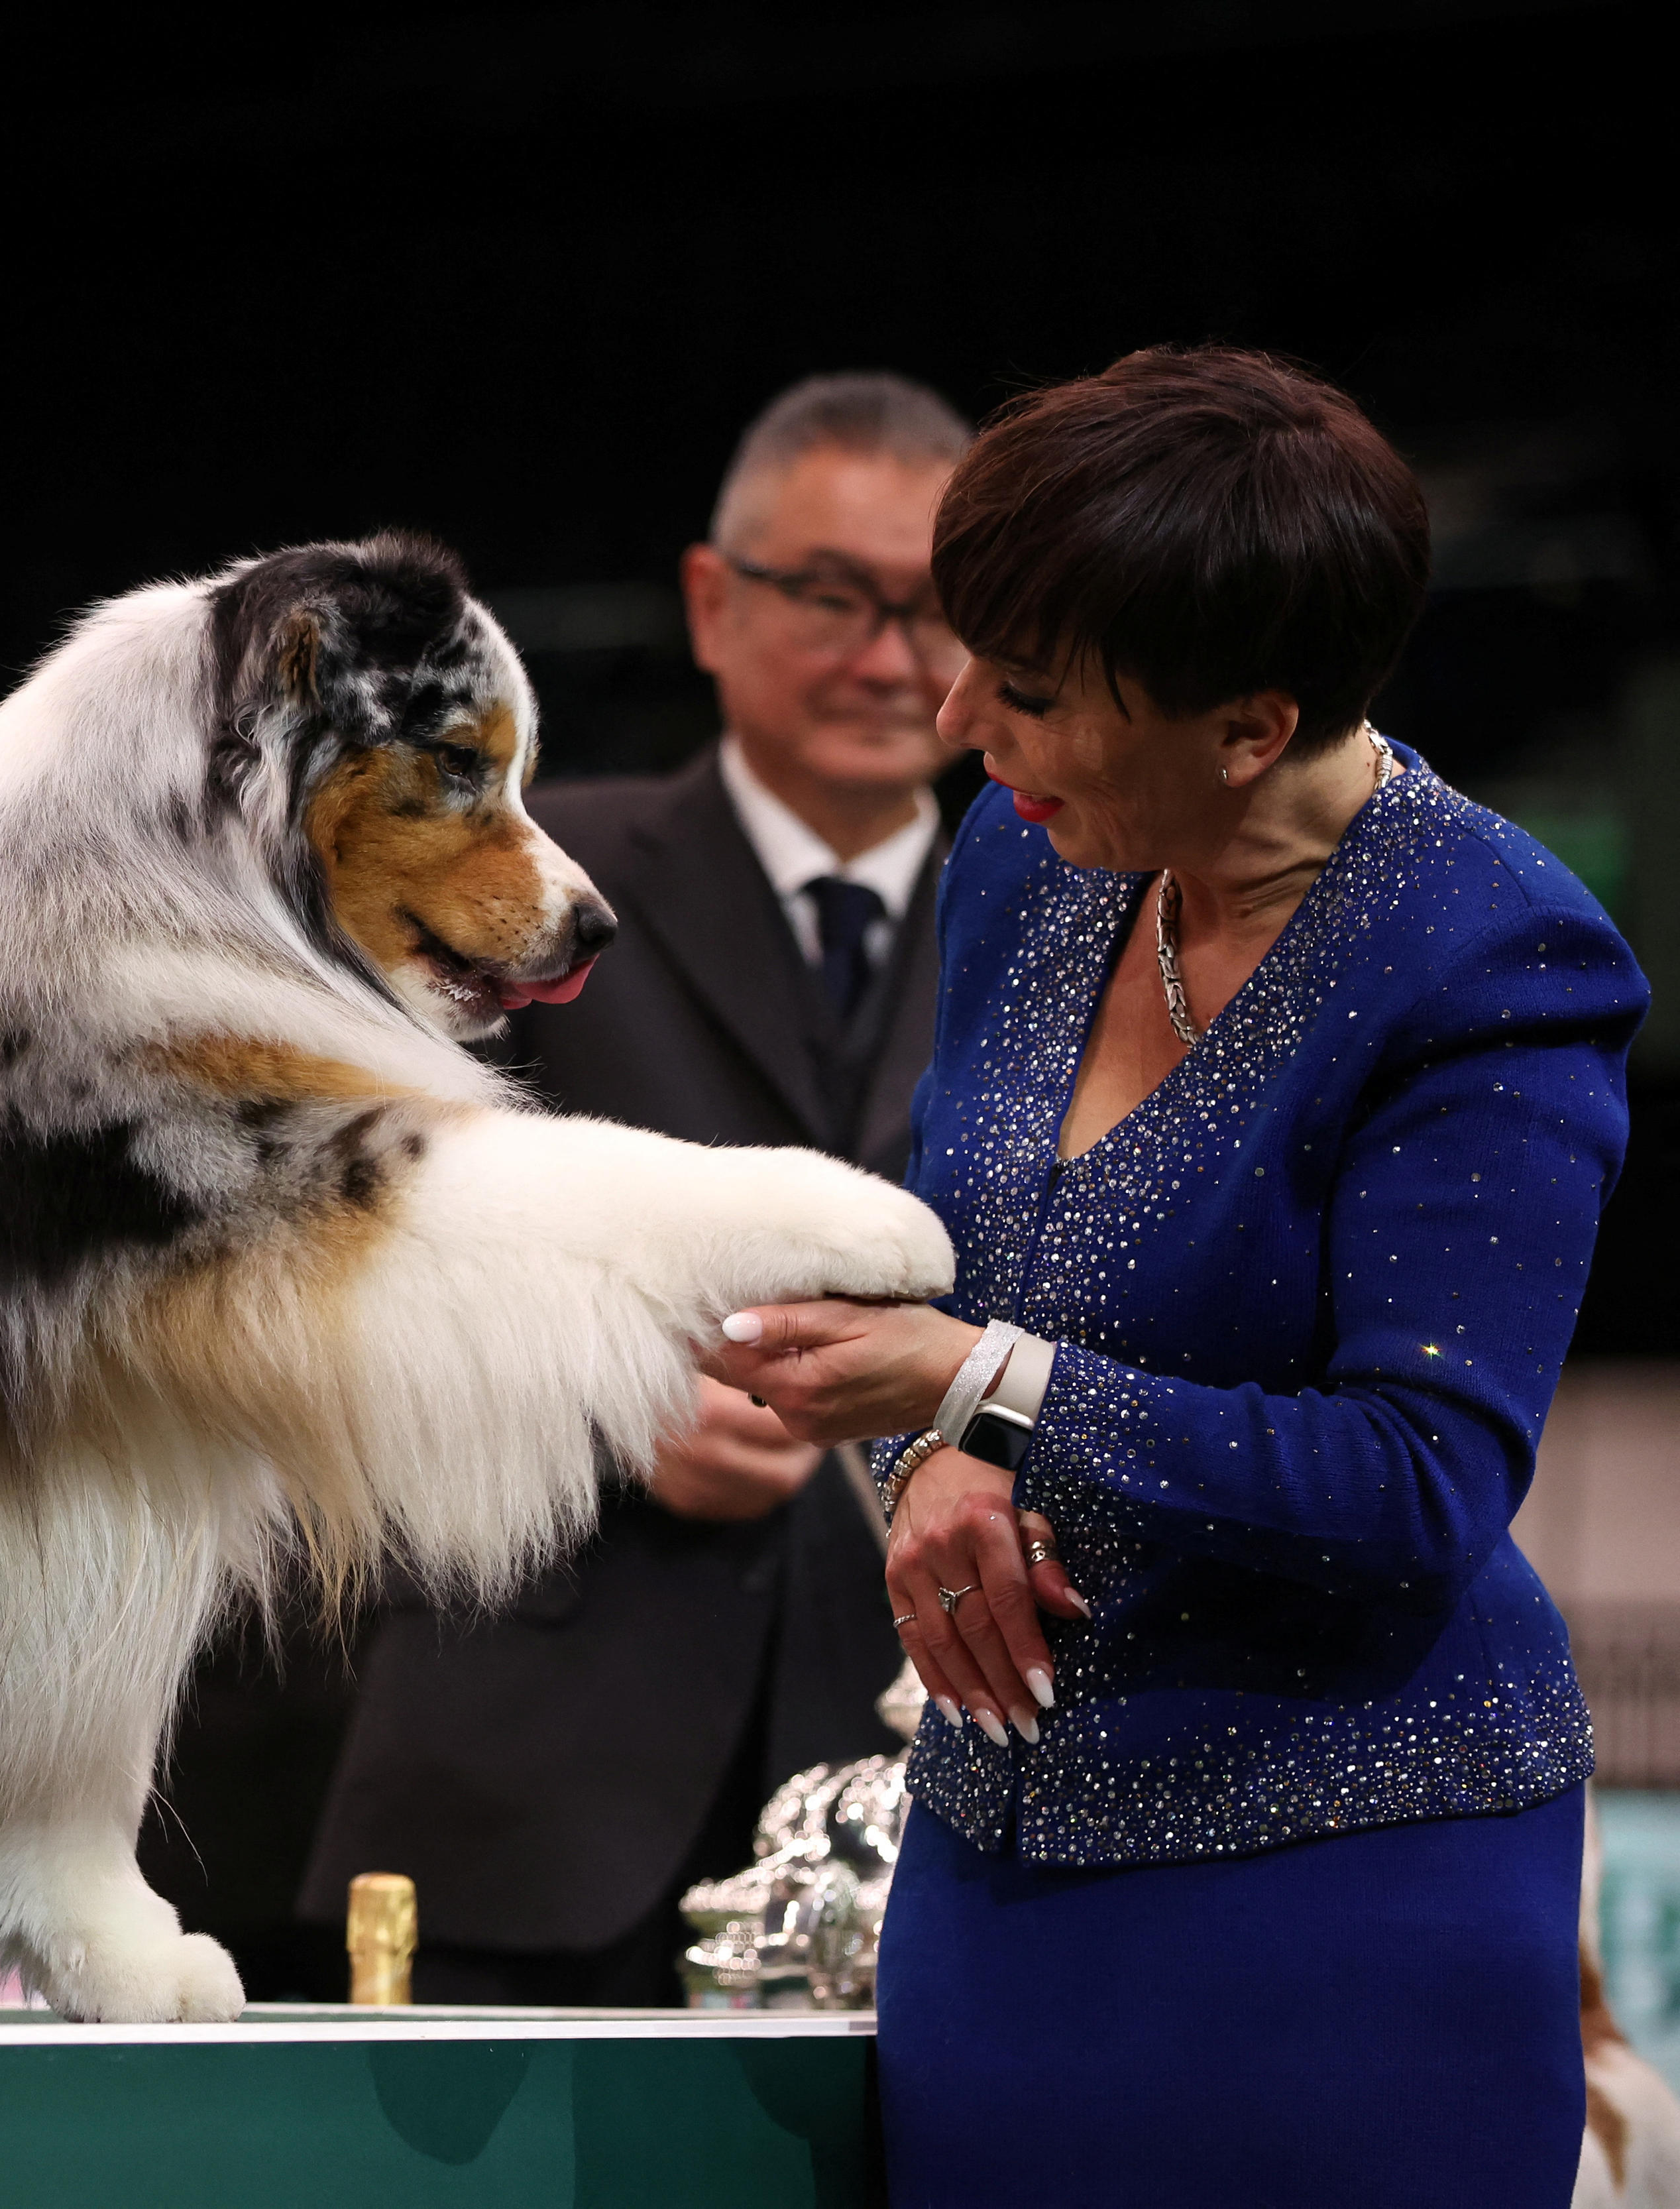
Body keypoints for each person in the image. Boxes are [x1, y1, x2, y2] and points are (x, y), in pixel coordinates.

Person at [704, 345, 1639, 2206]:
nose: (961, 715)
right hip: (997, 1875)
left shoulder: (1497, 953)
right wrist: (933, 1464)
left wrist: (973, 1389)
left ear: (1245, 725)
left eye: (1033, 691)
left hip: (1347, 1889)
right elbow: (965, 1269)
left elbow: (1419, 1477)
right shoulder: (1029, 853)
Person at [298, 372, 973, 2004]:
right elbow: (315, 1265)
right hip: (519, 1790)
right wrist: (608, 1409)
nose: (890, 656)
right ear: (710, 602)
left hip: (930, 1806)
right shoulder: (505, 887)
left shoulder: (1092, 934)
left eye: (940, 607)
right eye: (832, 594)